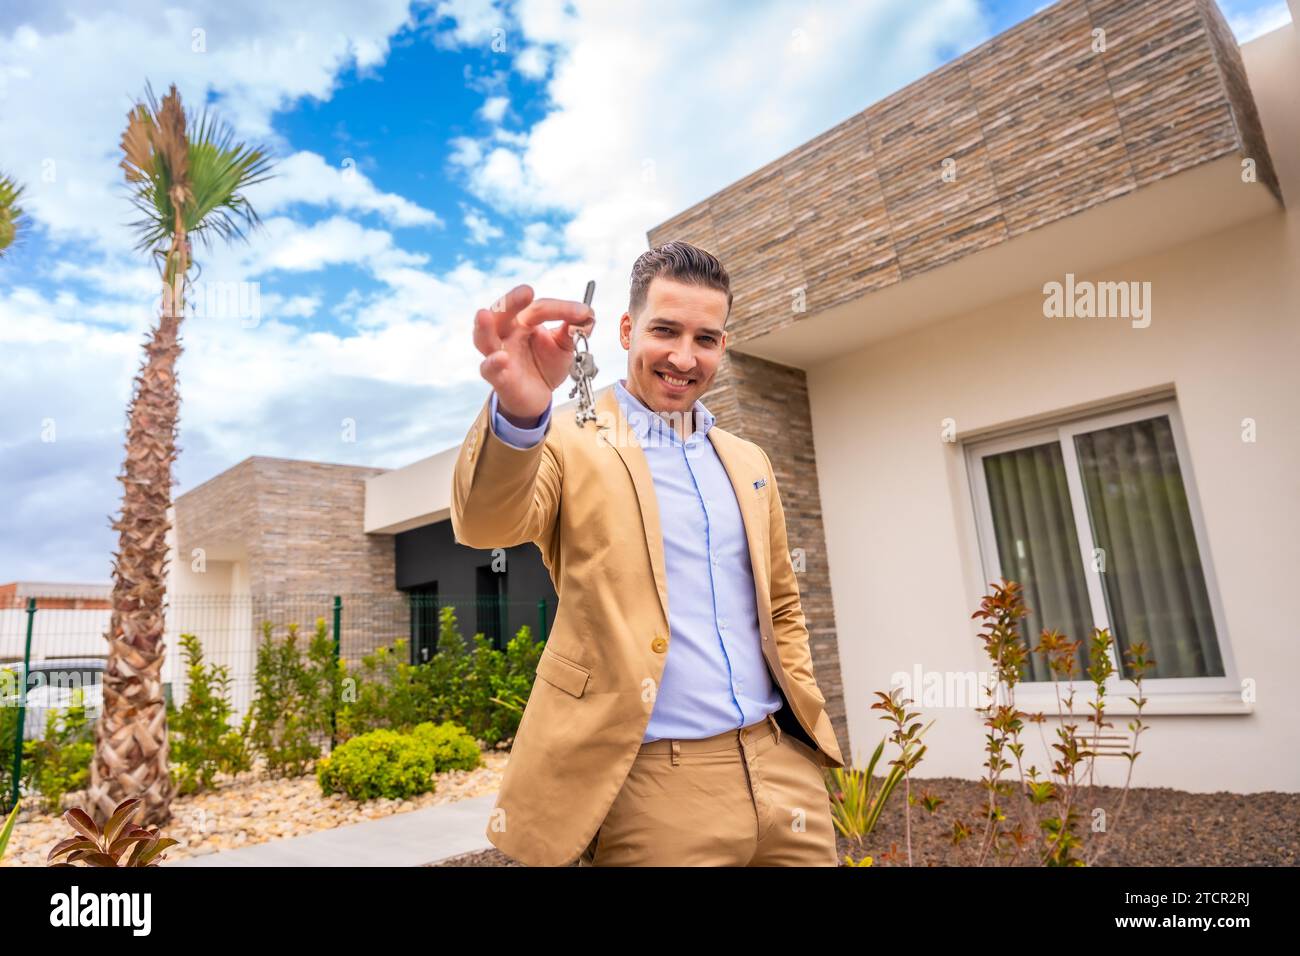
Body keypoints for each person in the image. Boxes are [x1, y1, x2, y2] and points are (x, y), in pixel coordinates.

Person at [452, 239, 845, 867]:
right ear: (628, 329)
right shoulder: (569, 440)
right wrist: (521, 415)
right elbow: (485, 522)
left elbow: (782, 607)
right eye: (665, 330)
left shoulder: (749, 461)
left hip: (782, 770)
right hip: (657, 786)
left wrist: (805, 732)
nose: (684, 358)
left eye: (706, 338)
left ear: (725, 344)